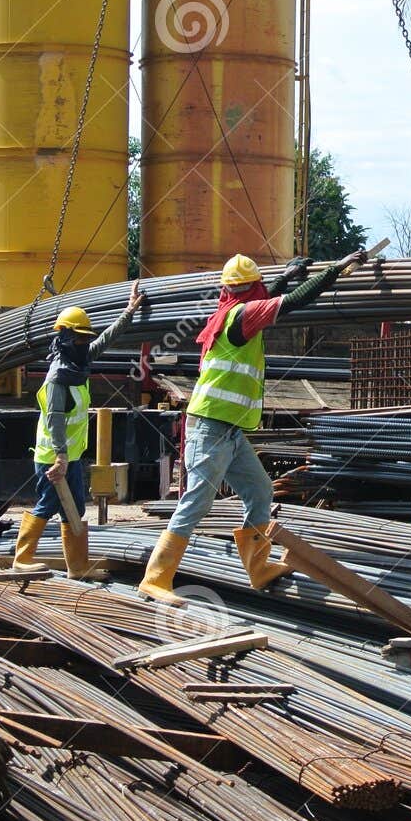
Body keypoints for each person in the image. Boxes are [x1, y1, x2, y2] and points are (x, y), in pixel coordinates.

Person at [138, 249, 366, 604]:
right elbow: (288, 303)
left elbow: (267, 294)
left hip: (228, 430)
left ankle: (258, 568)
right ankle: (156, 577)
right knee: (196, 503)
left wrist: (290, 273)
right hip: (210, 427)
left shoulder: (231, 311)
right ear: (251, 288)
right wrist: (334, 270)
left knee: (259, 491)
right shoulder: (241, 317)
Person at [12, 280, 146, 575]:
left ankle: (78, 567)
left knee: (74, 509)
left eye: (87, 339)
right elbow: (55, 418)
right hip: (53, 458)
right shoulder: (59, 376)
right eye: (80, 339)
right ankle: (21, 558)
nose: (85, 344)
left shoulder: (78, 364)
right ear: (65, 339)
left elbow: (107, 339)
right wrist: (60, 457)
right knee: (48, 504)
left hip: (68, 456)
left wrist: (129, 310)